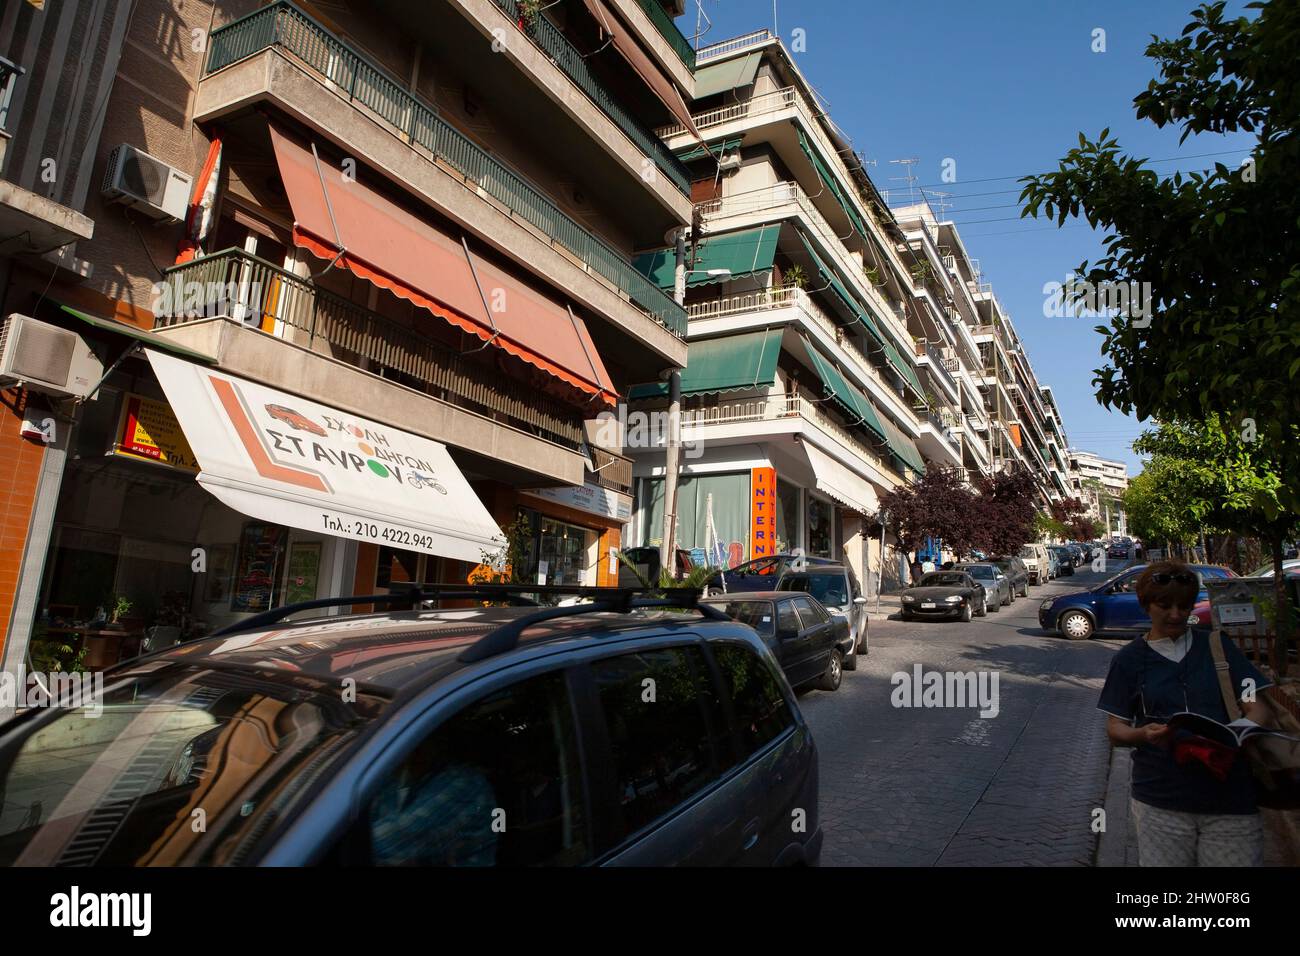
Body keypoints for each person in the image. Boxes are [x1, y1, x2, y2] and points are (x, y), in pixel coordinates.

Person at [1097, 560, 1273, 866]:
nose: (1176, 614)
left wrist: (1238, 732)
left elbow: (1256, 706)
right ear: (1146, 605)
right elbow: (1116, 729)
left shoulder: (1217, 648)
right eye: (1164, 605)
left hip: (1230, 798)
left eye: (1184, 605)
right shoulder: (1129, 660)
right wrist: (1143, 734)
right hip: (1161, 800)